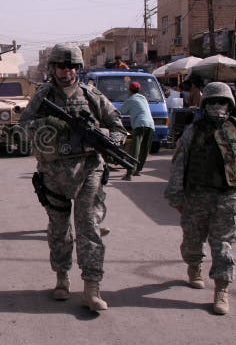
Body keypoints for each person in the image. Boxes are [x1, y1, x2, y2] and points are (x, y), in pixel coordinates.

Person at [20, 43, 127, 312]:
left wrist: (107, 139)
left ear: (77, 68)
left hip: (88, 170)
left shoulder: (91, 95)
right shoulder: (43, 95)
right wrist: (48, 124)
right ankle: (62, 277)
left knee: (89, 228)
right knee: (59, 230)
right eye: (60, 66)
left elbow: (118, 127)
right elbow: (22, 127)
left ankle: (92, 288)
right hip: (54, 172)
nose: (65, 71)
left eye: (70, 66)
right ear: (52, 68)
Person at [164, 82, 236, 315]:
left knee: (223, 245)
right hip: (196, 196)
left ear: (230, 104)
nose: (218, 107)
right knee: (192, 241)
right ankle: (194, 265)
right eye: (213, 102)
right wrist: (176, 194)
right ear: (205, 105)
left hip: (227, 196)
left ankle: (221, 289)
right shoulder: (193, 131)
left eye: (222, 102)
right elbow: (180, 163)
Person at [119, 81, 155, 180]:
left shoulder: (130, 99)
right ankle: (138, 170)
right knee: (145, 149)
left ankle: (129, 172)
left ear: (130, 90)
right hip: (151, 124)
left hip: (139, 124)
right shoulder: (143, 98)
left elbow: (119, 112)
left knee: (136, 148)